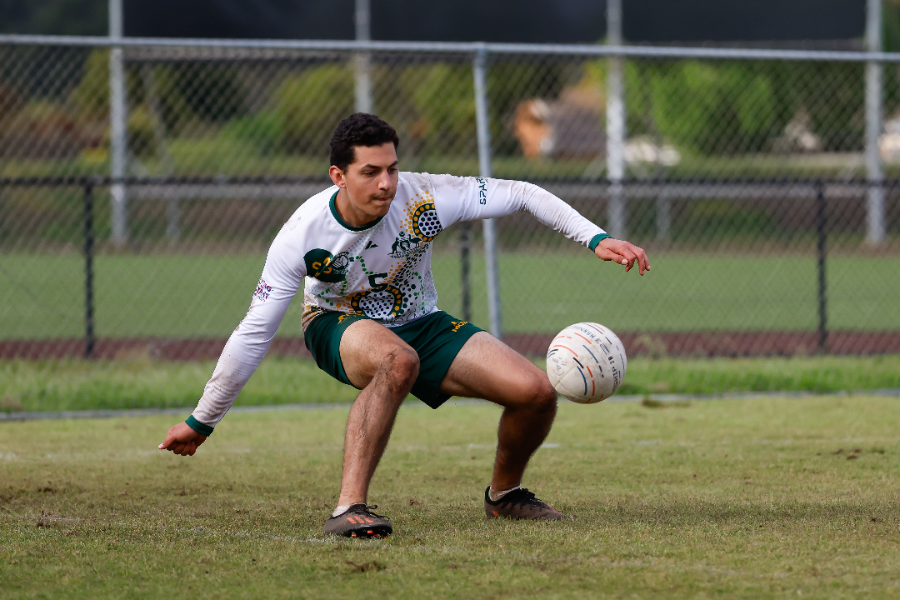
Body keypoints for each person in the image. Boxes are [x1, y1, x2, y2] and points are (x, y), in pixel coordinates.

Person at [159, 113, 650, 538]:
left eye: (392, 169)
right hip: (336, 322)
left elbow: (520, 193)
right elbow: (254, 331)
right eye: (370, 172)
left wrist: (594, 238)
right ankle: (348, 508)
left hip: (422, 322)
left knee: (536, 393)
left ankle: (505, 496)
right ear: (338, 176)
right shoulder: (302, 236)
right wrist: (204, 419)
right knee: (396, 360)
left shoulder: (425, 198)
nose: (386, 184)